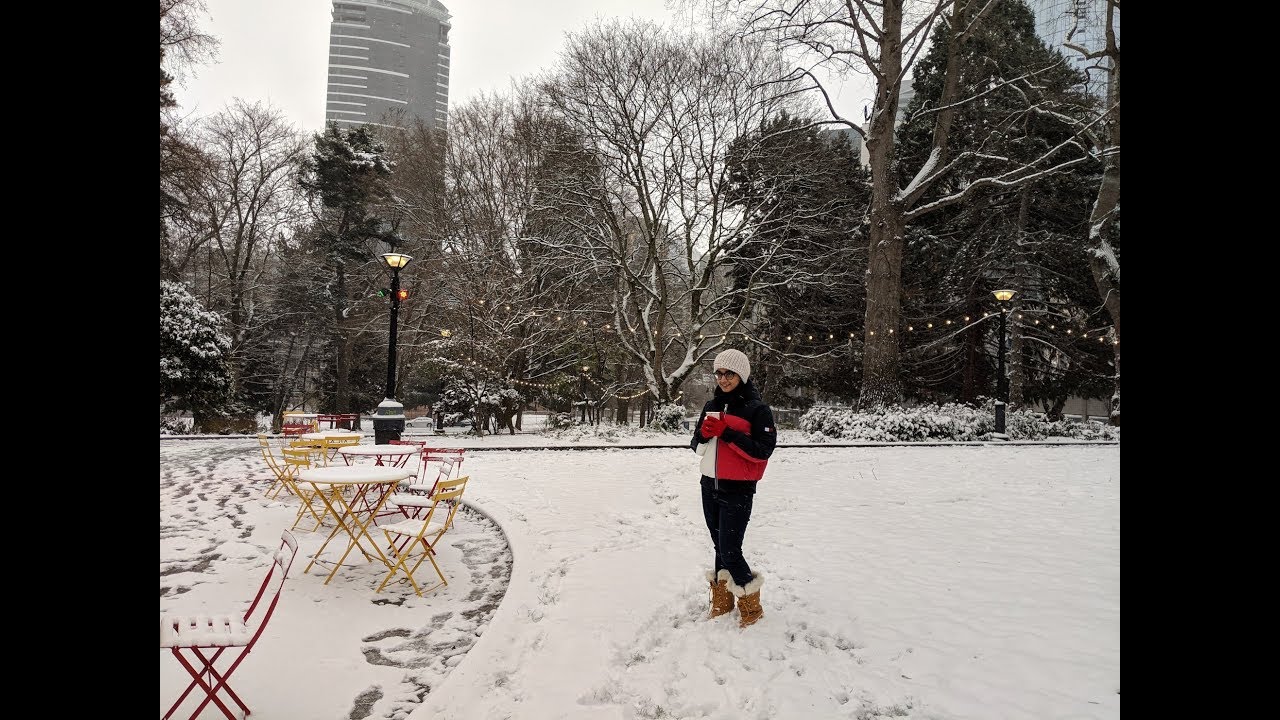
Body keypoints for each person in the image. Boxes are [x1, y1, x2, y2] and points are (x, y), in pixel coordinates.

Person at [689, 348, 776, 628]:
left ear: (742, 375)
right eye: (719, 373)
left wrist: (726, 433)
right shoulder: (711, 405)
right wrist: (703, 434)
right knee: (719, 547)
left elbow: (762, 451)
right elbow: (697, 448)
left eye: (730, 374)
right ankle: (722, 602)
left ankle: (752, 609)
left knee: (730, 551)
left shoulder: (757, 410)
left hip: (737, 490)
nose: (723, 379)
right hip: (708, 486)